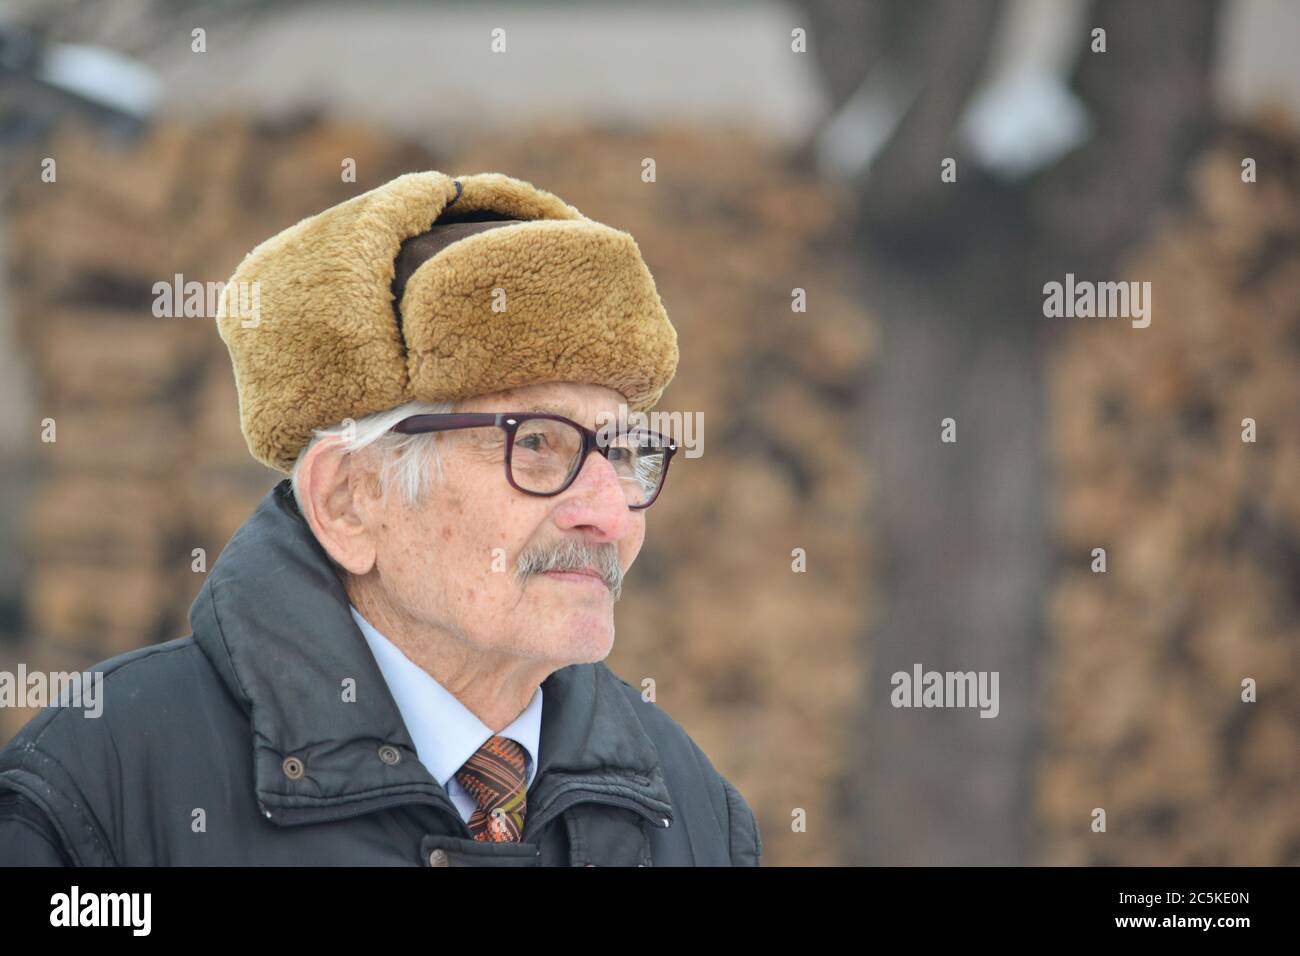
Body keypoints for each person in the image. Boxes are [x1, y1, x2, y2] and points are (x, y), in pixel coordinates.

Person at [0, 170, 761, 866]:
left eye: (623, 451)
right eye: (536, 443)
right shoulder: (101, 791)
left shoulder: (691, 813)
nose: (609, 513)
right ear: (349, 500)